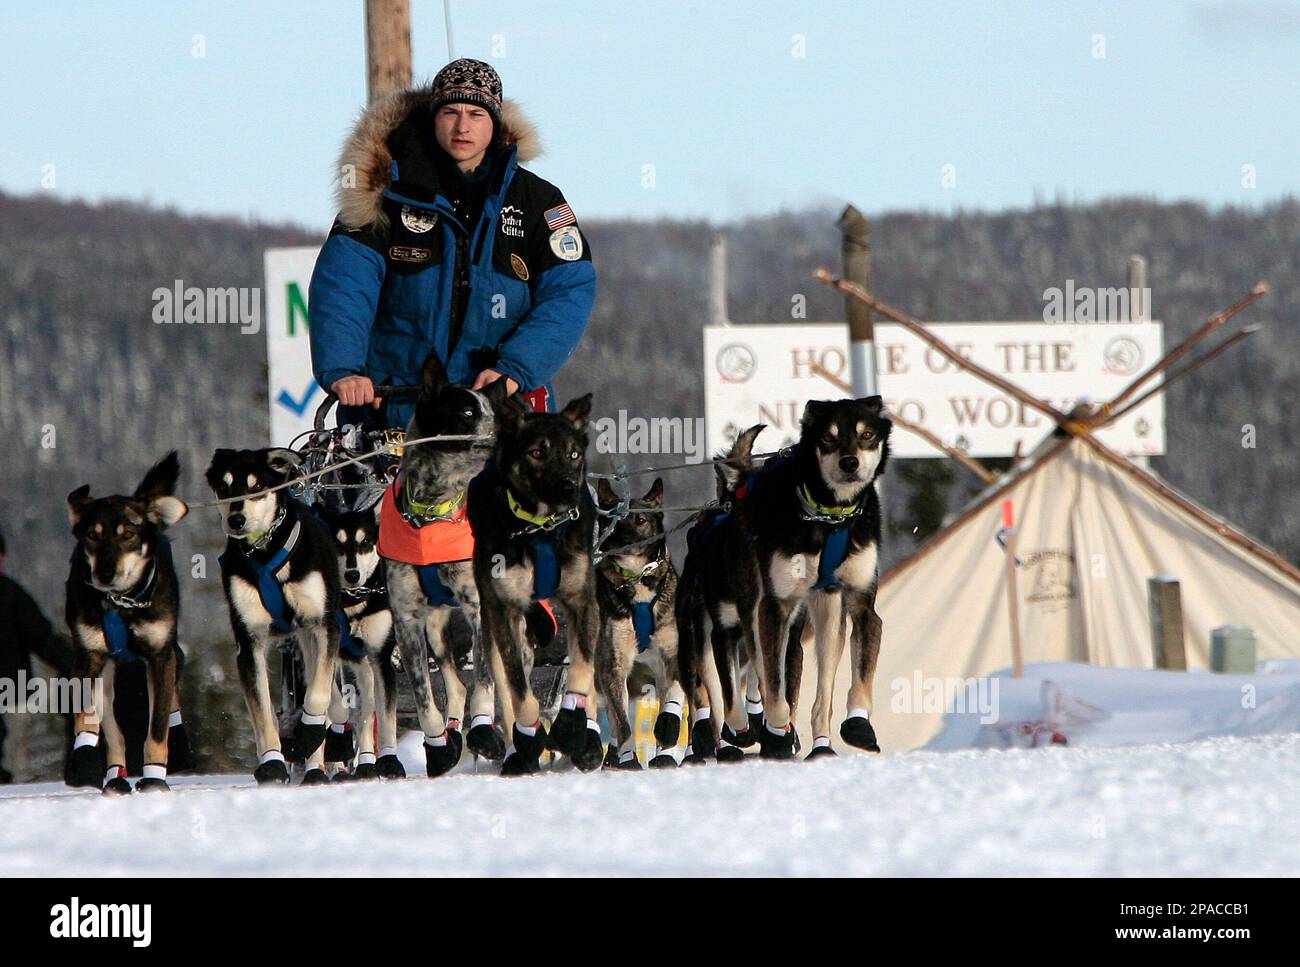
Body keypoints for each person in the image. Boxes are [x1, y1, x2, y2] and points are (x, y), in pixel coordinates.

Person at [309, 58, 596, 429]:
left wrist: (515, 369)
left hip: (502, 413)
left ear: (496, 122)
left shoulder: (537, 201)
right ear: (433, 118)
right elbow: (343, 287)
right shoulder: (381, 194)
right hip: (395, 412)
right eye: (450, 111)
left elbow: (569, 293)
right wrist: (344, 371)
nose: (463, 126)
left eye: (476, 113)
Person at [0, 529, 75, 783]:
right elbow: (43, 639)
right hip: (11, 694)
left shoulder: (10, 594)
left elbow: (43, 639)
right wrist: (78, 665)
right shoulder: (10, 593)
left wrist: (75, 664)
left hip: (12, 696)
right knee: (17, 762)